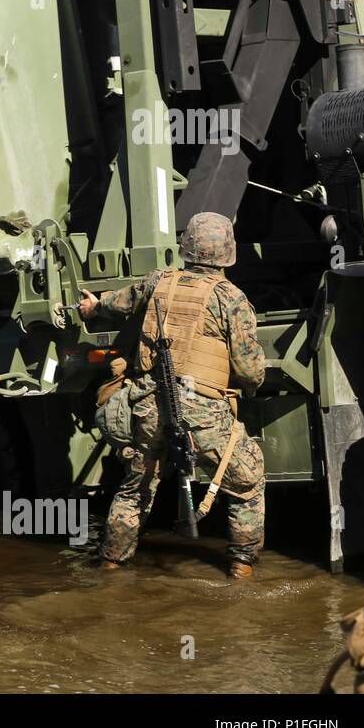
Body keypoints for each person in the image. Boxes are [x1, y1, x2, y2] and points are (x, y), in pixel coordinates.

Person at [79, 211, 267, 578]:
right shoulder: (231, 298)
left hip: (149, 404)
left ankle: (110, 566)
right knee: (247, 482)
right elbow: (249, 371)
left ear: (187, 249)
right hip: (203, 411)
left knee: (136, 488)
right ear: (229, 253)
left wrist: (91, 306)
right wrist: (251, 387)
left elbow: (118, 303)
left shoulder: (158, 281)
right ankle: (242, 569)